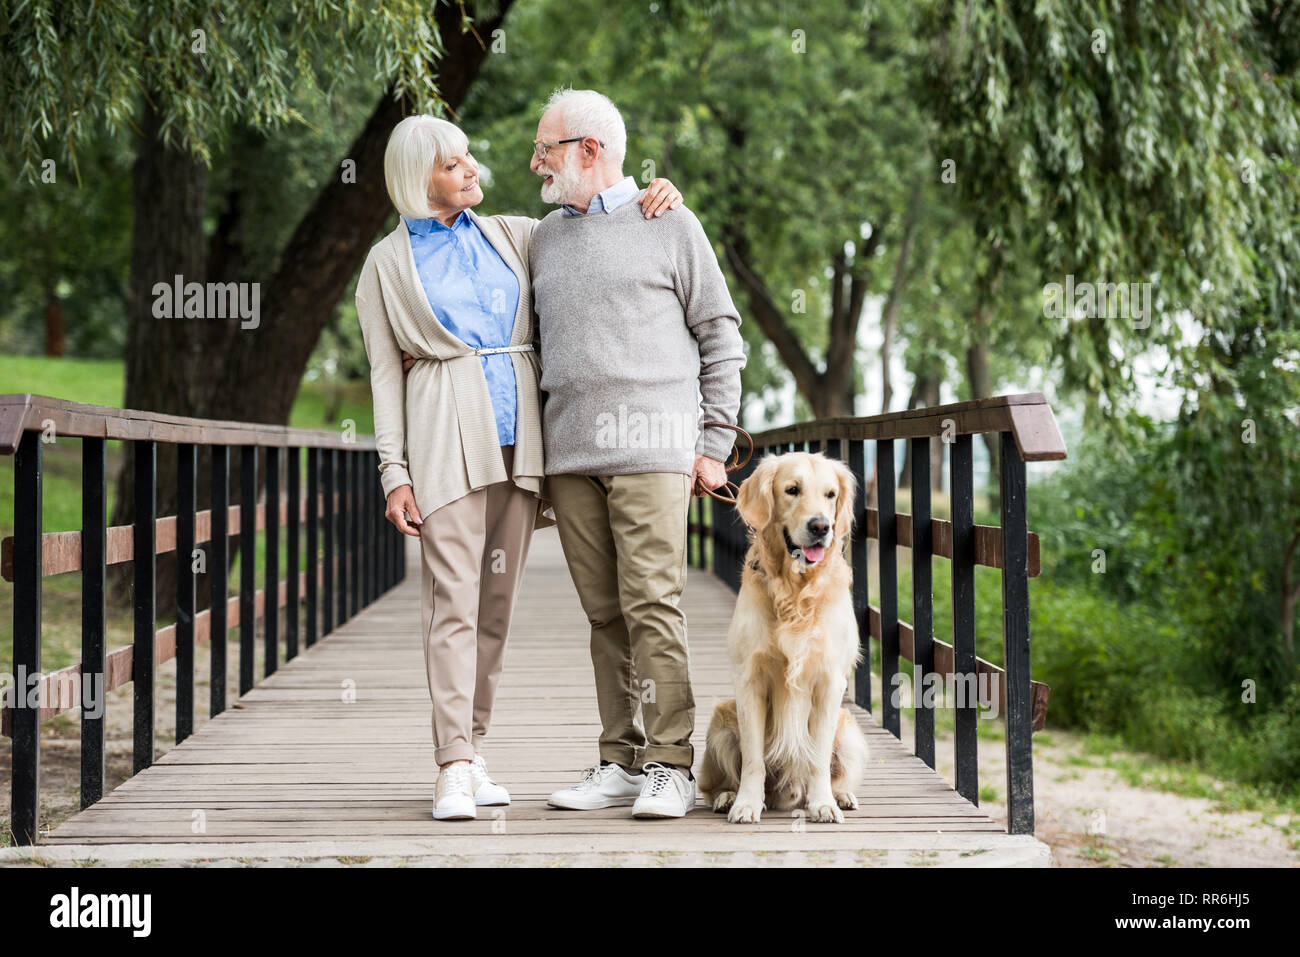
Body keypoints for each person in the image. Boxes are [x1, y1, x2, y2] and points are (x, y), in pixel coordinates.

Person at [355, 113, 683, 820]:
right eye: (455, 164)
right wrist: (394, 470)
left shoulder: (519, 234)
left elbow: (599, 219)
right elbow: (385, 375)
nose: (474, 169)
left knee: (494, 607)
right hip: (445, 437)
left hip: (522, 443)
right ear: (421, 178)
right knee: (451, 601)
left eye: (470, 157)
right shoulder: (386, 263)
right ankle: (451, 764)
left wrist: (659, 195)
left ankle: (475, 749)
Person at [527, 89, 747, 819]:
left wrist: (714, 445)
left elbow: (721, 338)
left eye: (546, 148)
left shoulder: (671, 222)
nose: (535, 162)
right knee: (603, 614)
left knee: (654, 602)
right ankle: (619, 758)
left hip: (654, 451)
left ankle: (672, 764)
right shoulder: (542, 237)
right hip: (572, 457)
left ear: (589, 150)